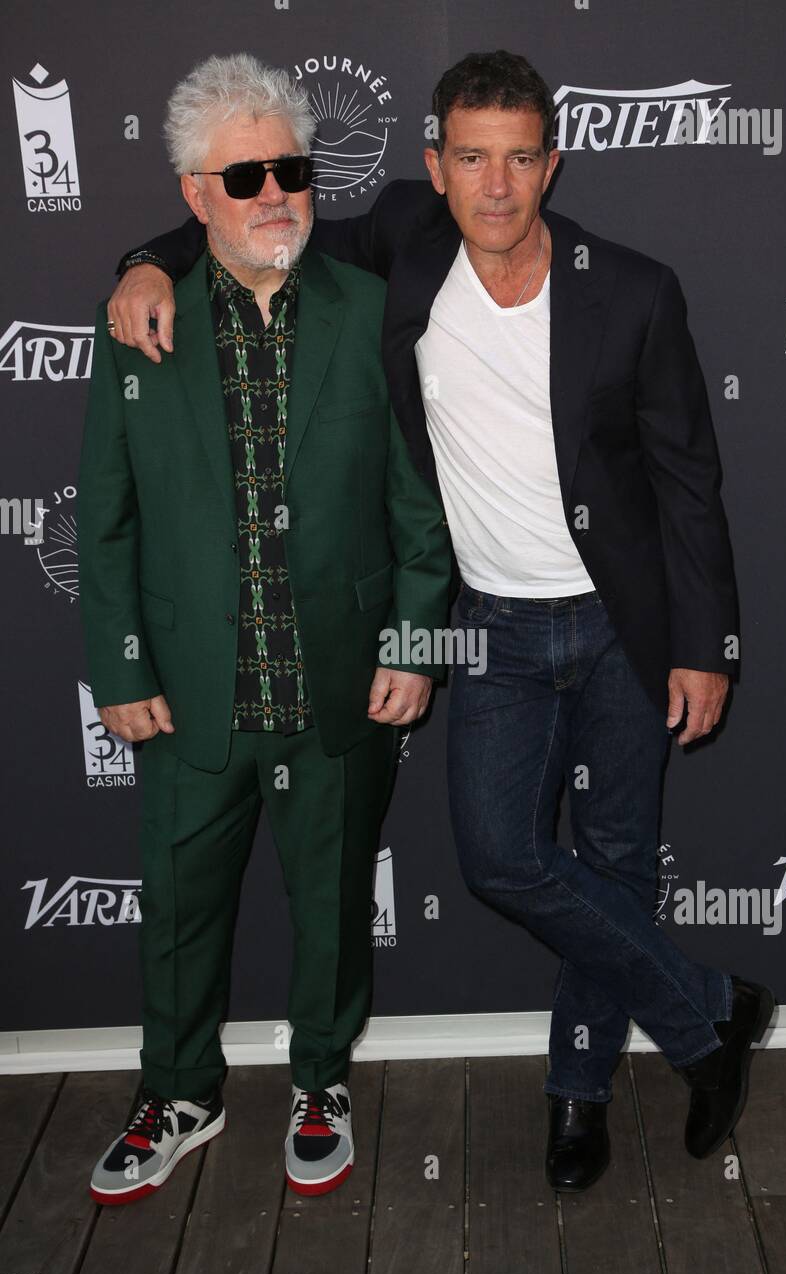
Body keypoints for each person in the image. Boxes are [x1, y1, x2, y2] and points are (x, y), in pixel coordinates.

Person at [106, 50, 775, 1194]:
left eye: (520, 159)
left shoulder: (635, 288)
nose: (497, 186)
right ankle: (710, 1005)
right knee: (498, 857)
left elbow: (686, 482)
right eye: (472, 157)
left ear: (550, 163)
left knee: (614, 868)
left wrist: (701, 644)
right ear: (434, 165)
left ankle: (577, 1094)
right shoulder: (397, 250)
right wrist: (139, 264)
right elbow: (244, 221)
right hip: (494, 632)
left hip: (622, 628)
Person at [78, 53, 451, 1204]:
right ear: (195, 197)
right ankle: (178, 1090)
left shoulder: (370, 305)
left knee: (336, 906)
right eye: (244, 176)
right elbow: (106, 518)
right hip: (192, 686)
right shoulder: (142, 325)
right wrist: (120, 660)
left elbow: (415, 498)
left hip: (336, 679)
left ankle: (321, 1077)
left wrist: (411, 639)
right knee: (180, 910)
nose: (276, 193)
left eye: (290, 167)